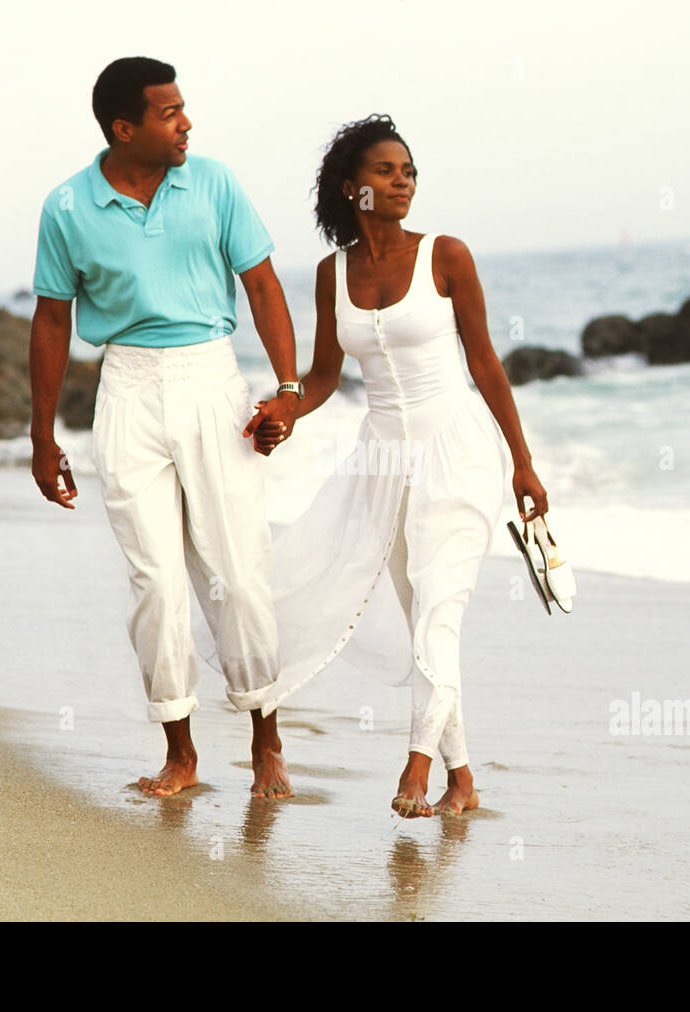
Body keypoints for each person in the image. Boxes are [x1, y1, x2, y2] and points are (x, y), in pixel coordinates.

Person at [250, 115, 548, 817]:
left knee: (440, 612)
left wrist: (522, 466)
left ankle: (416, 767)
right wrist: (286, 410)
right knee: (423, 626)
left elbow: (486, 365)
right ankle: (463, 780)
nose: (402, 181)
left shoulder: (446, 255)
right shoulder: (333, 273)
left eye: (409, 170)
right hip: (381, 461)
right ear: (352, 188)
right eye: (386, 171)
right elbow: (324, 375)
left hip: (458, 451)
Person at [28, 57, 301, 799]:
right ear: (124, 129)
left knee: (239, 573)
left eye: (184, 108)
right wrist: (42, 436)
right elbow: (53, 319)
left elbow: (263, 284)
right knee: (155, 580)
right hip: (127, 388)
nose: (186, 123)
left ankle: (266, 741)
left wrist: (287, 390)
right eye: (168, 112)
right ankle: (180, 751)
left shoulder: (213, 182)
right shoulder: (68, 207)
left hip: (212, 379)